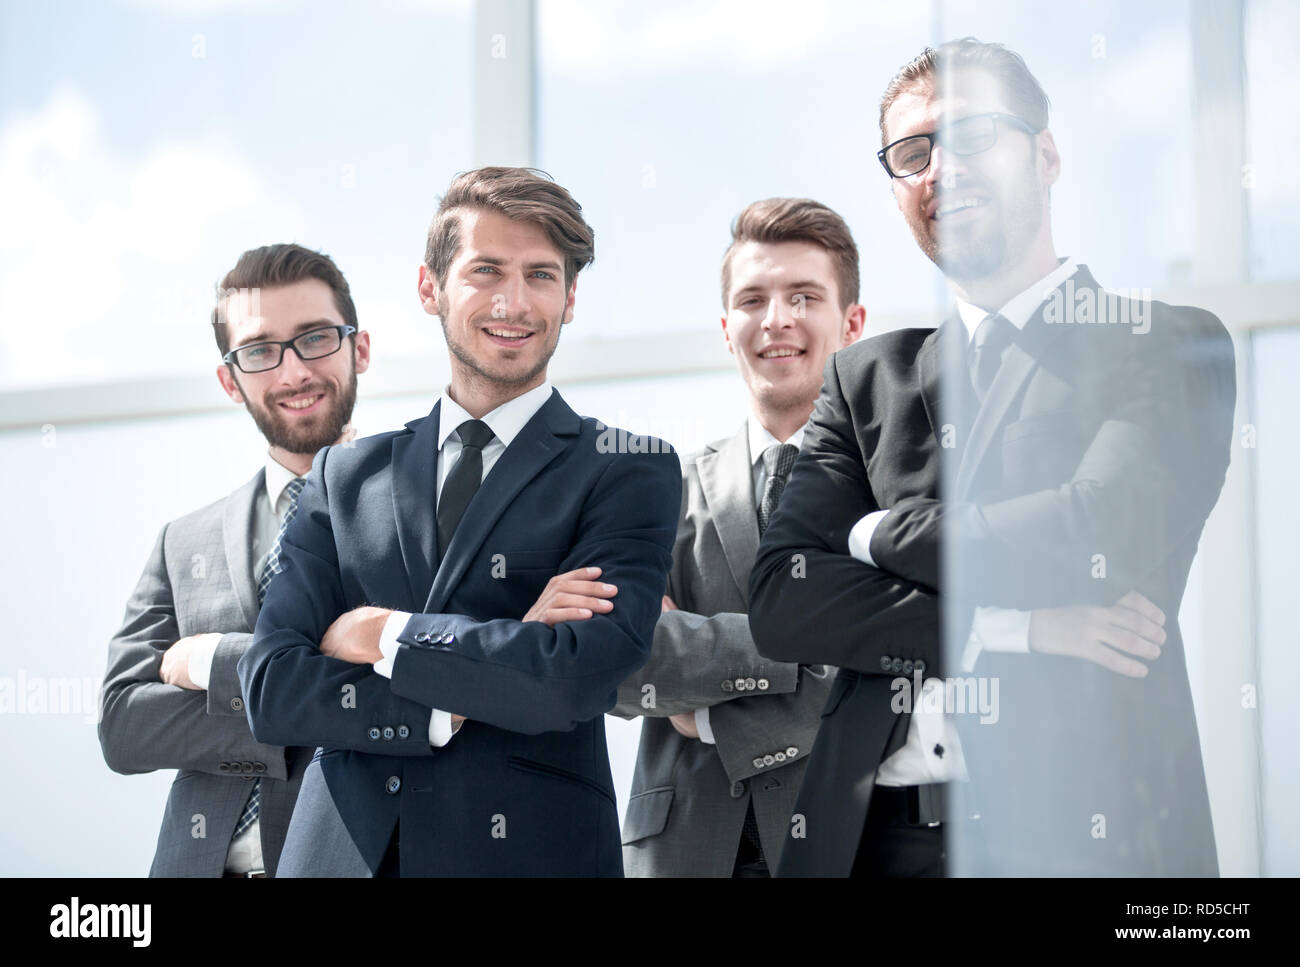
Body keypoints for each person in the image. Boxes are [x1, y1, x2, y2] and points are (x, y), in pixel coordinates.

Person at [749, 38, 1234, 876]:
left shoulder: (1163, 345)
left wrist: (872, 536)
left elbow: (1092, 533)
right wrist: (1022, 626)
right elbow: (784, 599)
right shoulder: (865, 381)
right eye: (913, 153)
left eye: (972, 136)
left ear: (1046, 155)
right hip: (869, 845)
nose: (941, 169)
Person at [238, 167, 681, 877]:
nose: (514, 300)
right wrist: (461, 692)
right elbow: (273, 688)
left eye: (541, 275)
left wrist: (386, 632)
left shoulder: (627, 468)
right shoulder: (341, 477)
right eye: (486, 271)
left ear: (570, 300)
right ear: (430, 288)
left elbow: (572, 679)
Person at [100, 243, 370, 876]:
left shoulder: (426, 514)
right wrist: (296, 704)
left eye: (315, 338)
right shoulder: (183, 541)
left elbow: (413, 687)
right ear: (231, 379)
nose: (293, 371)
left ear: (359, 348)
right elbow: (125, 726)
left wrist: (213, 663)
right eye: (259, 351)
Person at [614, 198, 859, 876]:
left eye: (803, 296)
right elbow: (620, 658)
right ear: (728, 328)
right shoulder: (659, 489)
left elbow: (887, 666)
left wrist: (714, 714)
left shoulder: (891, 493)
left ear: (853, 323)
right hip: (683, 847)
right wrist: (801, 650)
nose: (776, 319)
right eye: (753, 299)